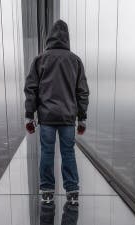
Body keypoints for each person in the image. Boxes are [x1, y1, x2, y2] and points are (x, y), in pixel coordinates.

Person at [24, 19, 89, 206]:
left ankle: (47, 191)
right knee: (68, 153)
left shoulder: (40, 59)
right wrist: (82, 118)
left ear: (50, 36)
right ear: (67, 38)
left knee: (47, 152)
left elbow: (31, 89)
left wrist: (30, 115)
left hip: (47, 117)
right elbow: (82, 92)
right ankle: (72, 190)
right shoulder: (75, 61)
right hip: (68, 118)